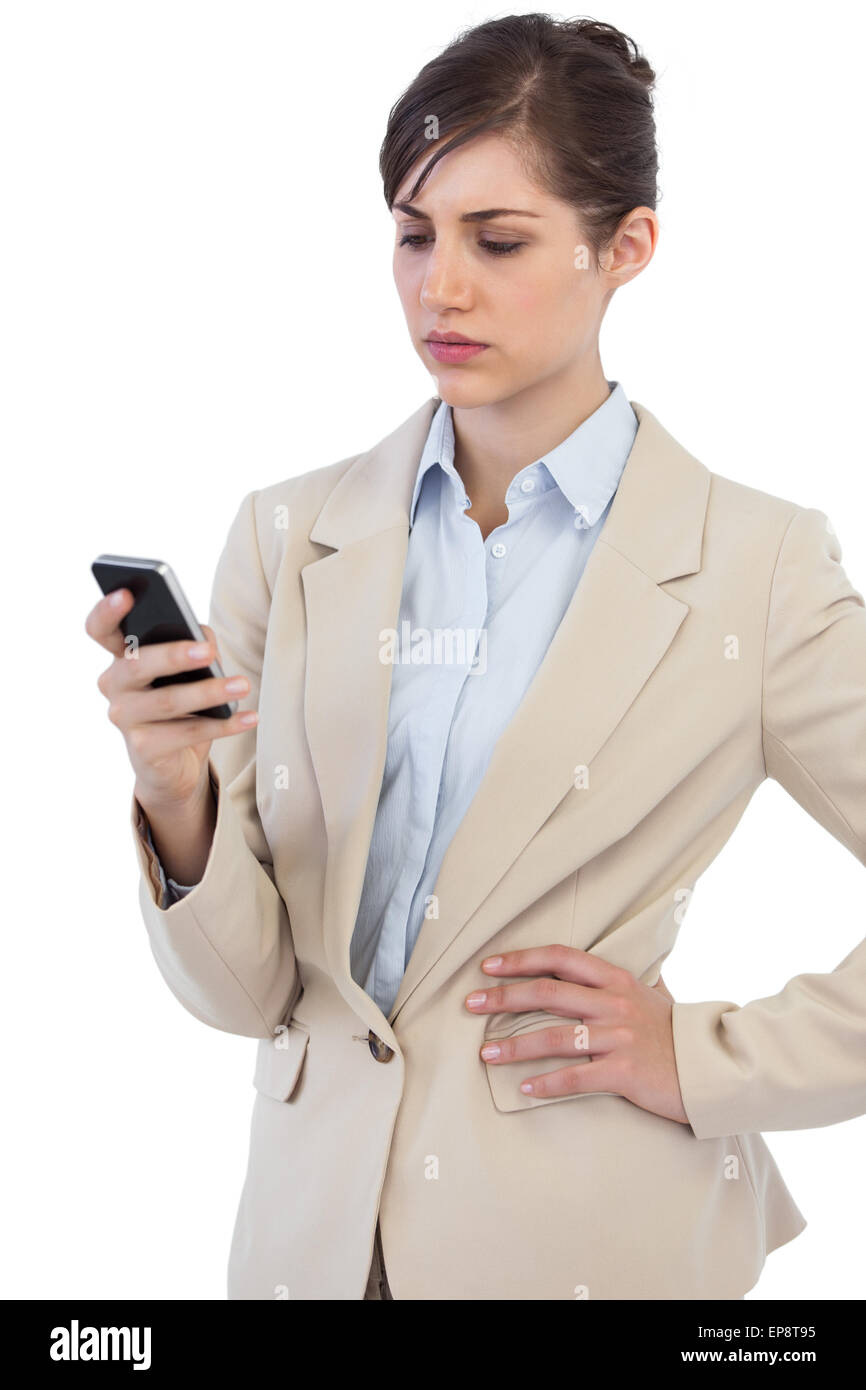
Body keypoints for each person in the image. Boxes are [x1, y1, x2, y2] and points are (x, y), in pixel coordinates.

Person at [86, 14, 865, 1300]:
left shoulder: (755, 566)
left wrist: (705, 1055)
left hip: (591, 1256)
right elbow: (251, 994)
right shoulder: (287, 536)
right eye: (412, 233)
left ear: (625, 247)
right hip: (307, 1251)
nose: (437, 287)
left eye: (495, 241)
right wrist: (177, 797)